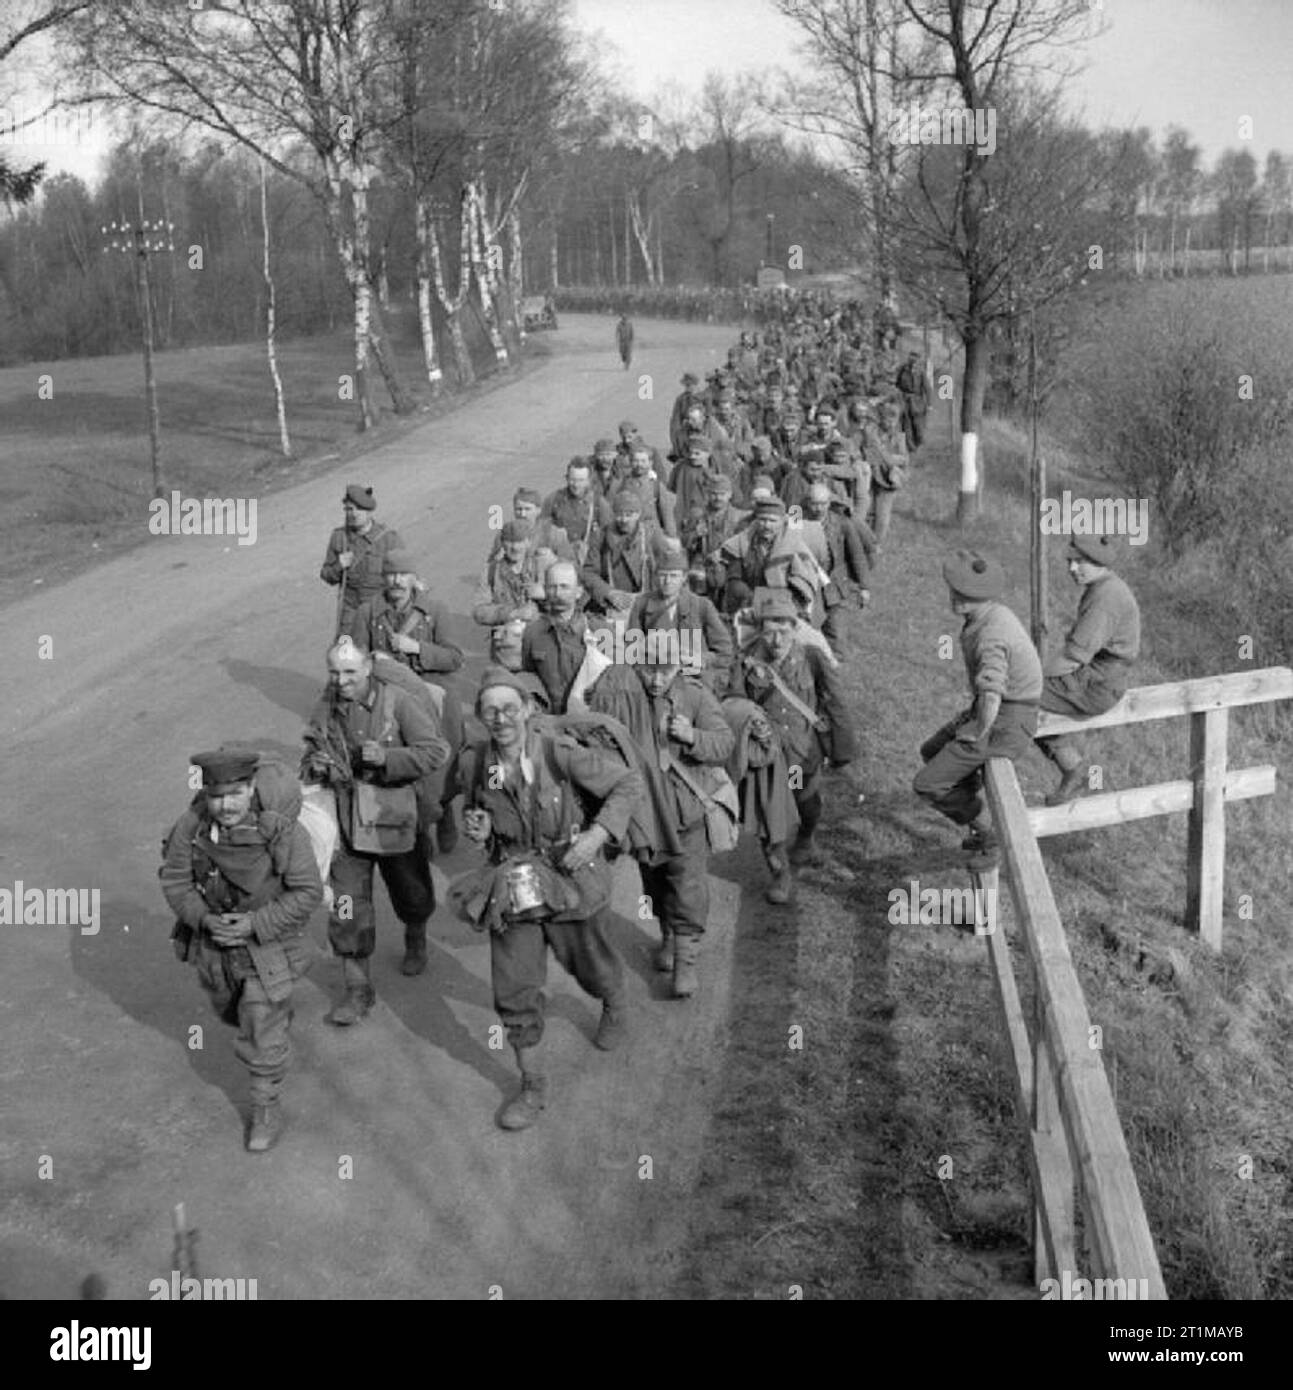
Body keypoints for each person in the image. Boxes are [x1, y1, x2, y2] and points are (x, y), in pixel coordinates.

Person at [457, 668, 643, 1130]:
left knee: (590, 964)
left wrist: (597, 835)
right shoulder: (480, 762)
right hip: (514, 884)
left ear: (527, 710)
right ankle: (532, 1083)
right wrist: (480, 830)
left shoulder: (558, 753)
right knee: (514, 987)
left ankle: (613, 1000)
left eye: (508, 709)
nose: (500, 719)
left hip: (569, 875)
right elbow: (482, 809)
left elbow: (627, 785)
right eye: (489, 711)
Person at [161, 749, 324, 1151]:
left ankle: (265, 1106)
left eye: (236, 793)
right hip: (215, 946)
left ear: (251, 789)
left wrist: (256, 923)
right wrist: (202, 918)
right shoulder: (191, 828)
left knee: (259, 1025)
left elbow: (307, 892)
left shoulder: (281, 832)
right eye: (216, 796)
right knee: (231, 1010)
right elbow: (176, 880)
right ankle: (273, 1027)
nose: (226, 804)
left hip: (268, 945)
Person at [301, 636, 451, 1010]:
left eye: (350, 672)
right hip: (347, 820)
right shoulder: (327, 705)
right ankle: (356, 989)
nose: (341, 681)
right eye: (334, 672)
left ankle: (415, 935)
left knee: (411, 893)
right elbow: (311, 748)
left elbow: (435, 752)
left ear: (367, 668)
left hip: (393, 819)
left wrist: (388, 758)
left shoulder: (399, 703)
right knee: (348, 904)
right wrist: (315, 764)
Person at [586, 659, 735, 998]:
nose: (655, 680)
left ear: (678, 669)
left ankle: (686, 962)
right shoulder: (624, 692)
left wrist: (692, 736)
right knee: (653, 880)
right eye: (648, 670)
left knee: (688, 884)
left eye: (664, 672)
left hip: (685, 813)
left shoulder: (695, 696)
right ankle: (667, 935)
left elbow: (725, 743)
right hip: (644, 813)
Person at [726, 589, 857, 903]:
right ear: (760, 629)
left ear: (795, 628)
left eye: (783, 630)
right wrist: (749, 718)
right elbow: (732, 700)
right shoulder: (745, 661)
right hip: (766, 758)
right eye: (770, 631)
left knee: (804, 802)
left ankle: (807, 839)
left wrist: (842, 750)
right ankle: (780, 873)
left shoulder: (812, 658)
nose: (776, 640)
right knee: (771, 820)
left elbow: (835, 702)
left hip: (801, 754)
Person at [913, 552, 1042, 869]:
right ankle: (972, 806)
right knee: (931, 750)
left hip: (1006, 720)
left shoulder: (991, 634)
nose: (955, 598)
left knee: (927, 784)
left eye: (965, 594)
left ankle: (989, 832)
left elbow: (992, 694)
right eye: (955, 589)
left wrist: (978, 729)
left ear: (984, 596)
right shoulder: (990, 614)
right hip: (1000, 711)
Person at [1034, 535, 1141, 805]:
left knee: (1020, 694)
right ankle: (1072, 768)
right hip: (1101, 676)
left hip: (1099, 684)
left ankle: (1072, 769)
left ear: (1100, 563)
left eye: (1080, 562)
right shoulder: (1104, 586)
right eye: (1070, 561)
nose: (1072, 568)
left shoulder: (1106, 598)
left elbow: (1073, 657)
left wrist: (1032, 676)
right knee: (1022, 694)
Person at [627, 536, 733, 694]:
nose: (667, 581)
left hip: (691, 677)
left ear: (684, 578)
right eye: (662, 575)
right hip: (656, 677)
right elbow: (631, 648)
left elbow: (724, 651)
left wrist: (698, 658)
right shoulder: (642, 603)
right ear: (655, 577)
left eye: (673, 576)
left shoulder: (701, 606)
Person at [801, 482, 876, 654]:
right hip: (807, 584)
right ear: (807, 502)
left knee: (836, 634)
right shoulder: (797, 519)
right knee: (806, 633)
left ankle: (834, 665)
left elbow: (857, 555)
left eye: (823, 503)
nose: (818, 508)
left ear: (829, 503)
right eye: (814, 503)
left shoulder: (842, 524)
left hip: (835, 586)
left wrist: (864, 587)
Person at [521, 561, 604, 715]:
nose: (558, 594)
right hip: (550, 723)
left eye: (565, 587)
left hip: (588, 720)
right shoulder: (532, 633)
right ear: (545, 590)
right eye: (552, 587)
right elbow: (528, 675)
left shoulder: (599, 631)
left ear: (579, 592)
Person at [319, 484, 403, 633]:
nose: (354, 514)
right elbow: (326, 575)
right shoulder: (339, 537)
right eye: (350, 509)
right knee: (343, 654)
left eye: (360, 509)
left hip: (381, 609)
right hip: (350, 612)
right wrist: (339, 565)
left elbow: (404, 574)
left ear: (369, 512)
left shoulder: (388, 539)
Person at [473, 519, 548, 671]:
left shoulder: (542, 567)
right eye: (509, 542)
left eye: (520, 541)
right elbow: (479, 611)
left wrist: (544, 594)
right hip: (505, 649)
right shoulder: (491, 571)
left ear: (528, 542)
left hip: (540, 644)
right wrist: (513, 613)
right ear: (502, 543)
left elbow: (568, 599)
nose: (515, 547)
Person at [581, 486, 659, 618]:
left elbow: (667, 569)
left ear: (638, 514)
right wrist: (608, 592)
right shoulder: (601, 537)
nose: (623, 520)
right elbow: (588, 573)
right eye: (619, 514)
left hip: (648, 603)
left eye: (629, 515)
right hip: (612, 606)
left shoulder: (651, 536)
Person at [542, 458, 611, 568]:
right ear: (566, 478)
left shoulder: (599, 504)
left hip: (589, 564)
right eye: (572, 480)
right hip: (559, 563)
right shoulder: (554, 500)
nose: (576, 485)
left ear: (589, 480)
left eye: (581, 480)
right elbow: (542, 530)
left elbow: (609, 535)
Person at [895, 351, 931, 451]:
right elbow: (897, 384)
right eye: (911, 359)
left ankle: (919, 443)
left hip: (917, 401)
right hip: (905, 400)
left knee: (918, 425)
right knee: (907, 424)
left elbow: (927, 387)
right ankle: (911, 447)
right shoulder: (903, 369)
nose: (913, 362)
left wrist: (929, 403)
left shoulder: (921, 372)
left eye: (915, 360)